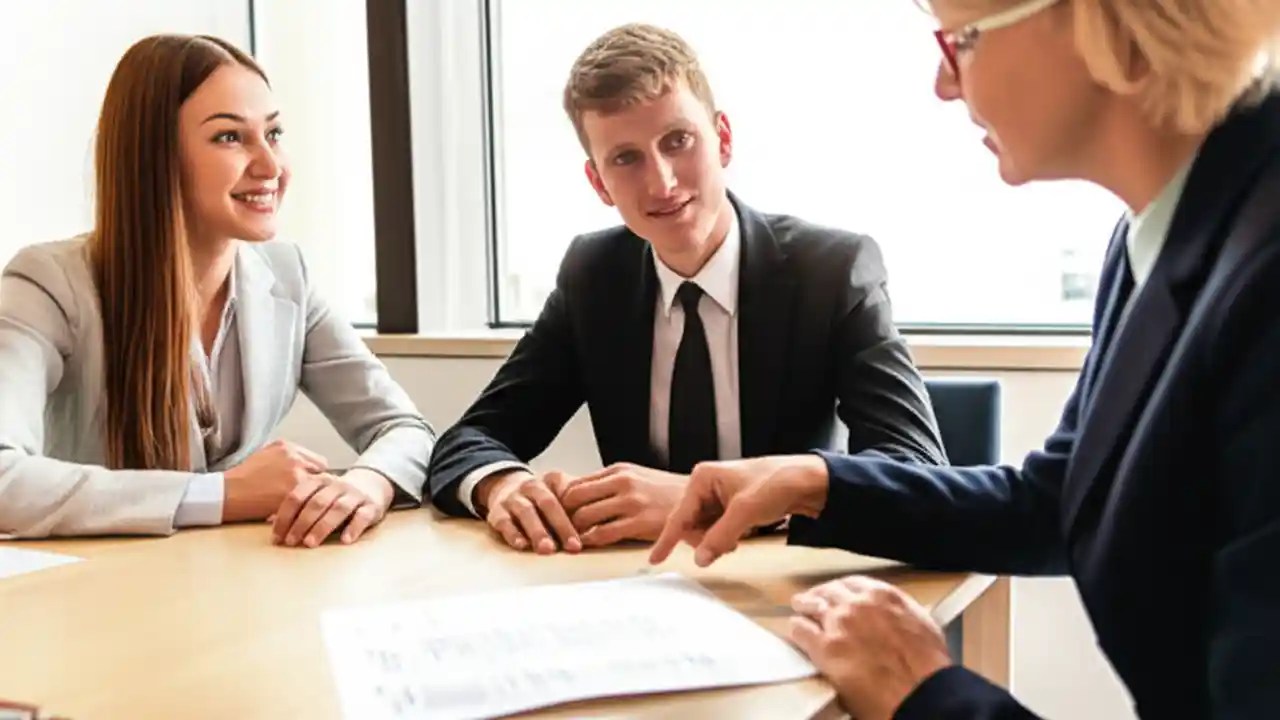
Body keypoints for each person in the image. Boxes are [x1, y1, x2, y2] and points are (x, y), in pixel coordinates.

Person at [650, 0, 1280, 717]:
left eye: (962, 43)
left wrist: (930, 695)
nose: (944, 85)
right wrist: (817, 482)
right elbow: (1058, 500)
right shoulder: (1160, 231)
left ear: (1100, 21)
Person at [427, 23, 946, 554]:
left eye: (678, 141)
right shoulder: (593, 277)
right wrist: (504, 485)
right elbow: (467, 443)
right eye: (626, 158)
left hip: (788, 583)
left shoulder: (831, 271)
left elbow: (915, 469)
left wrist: (715, 501)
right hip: (638, 586)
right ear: (599, 182)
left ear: (722, 139)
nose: (662, 183)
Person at [0, 34, 434, 545]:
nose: (270, 167)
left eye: (273, 133)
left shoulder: (288, 275)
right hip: (86, 597)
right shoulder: (48, 284)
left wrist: (366, 484)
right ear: (154, 157)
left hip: (226, 585)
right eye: (230, 137)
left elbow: (405, 430)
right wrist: (221, 494)